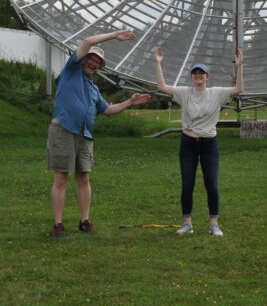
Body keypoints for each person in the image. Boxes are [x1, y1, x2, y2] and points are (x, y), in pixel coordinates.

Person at [48, 30, 150, 237]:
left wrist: (130, 102)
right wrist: (114, 36)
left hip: (84, 135)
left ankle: (85, 220)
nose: (94, 63)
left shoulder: (93, 89)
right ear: (84, 59)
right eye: (91, 59)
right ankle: (58, 224)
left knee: (84, 178)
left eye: (98, 62)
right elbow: (86, 41)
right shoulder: (71, 70)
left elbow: (107, 110)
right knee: (61, 178)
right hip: (63, 129)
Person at [154, 46, 243, 236]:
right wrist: (158, 63)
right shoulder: (185, 93)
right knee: (187, 184)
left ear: (207, 77)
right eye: (195, 73)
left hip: (209, 144)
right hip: (188, 143)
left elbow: (238, 88)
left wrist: (239, 66)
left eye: (201, 73)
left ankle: (214, 224)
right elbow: (162, 87)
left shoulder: (216, 93)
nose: (198, 76)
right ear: (191, 77)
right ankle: (187, 223)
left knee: (211, 184)